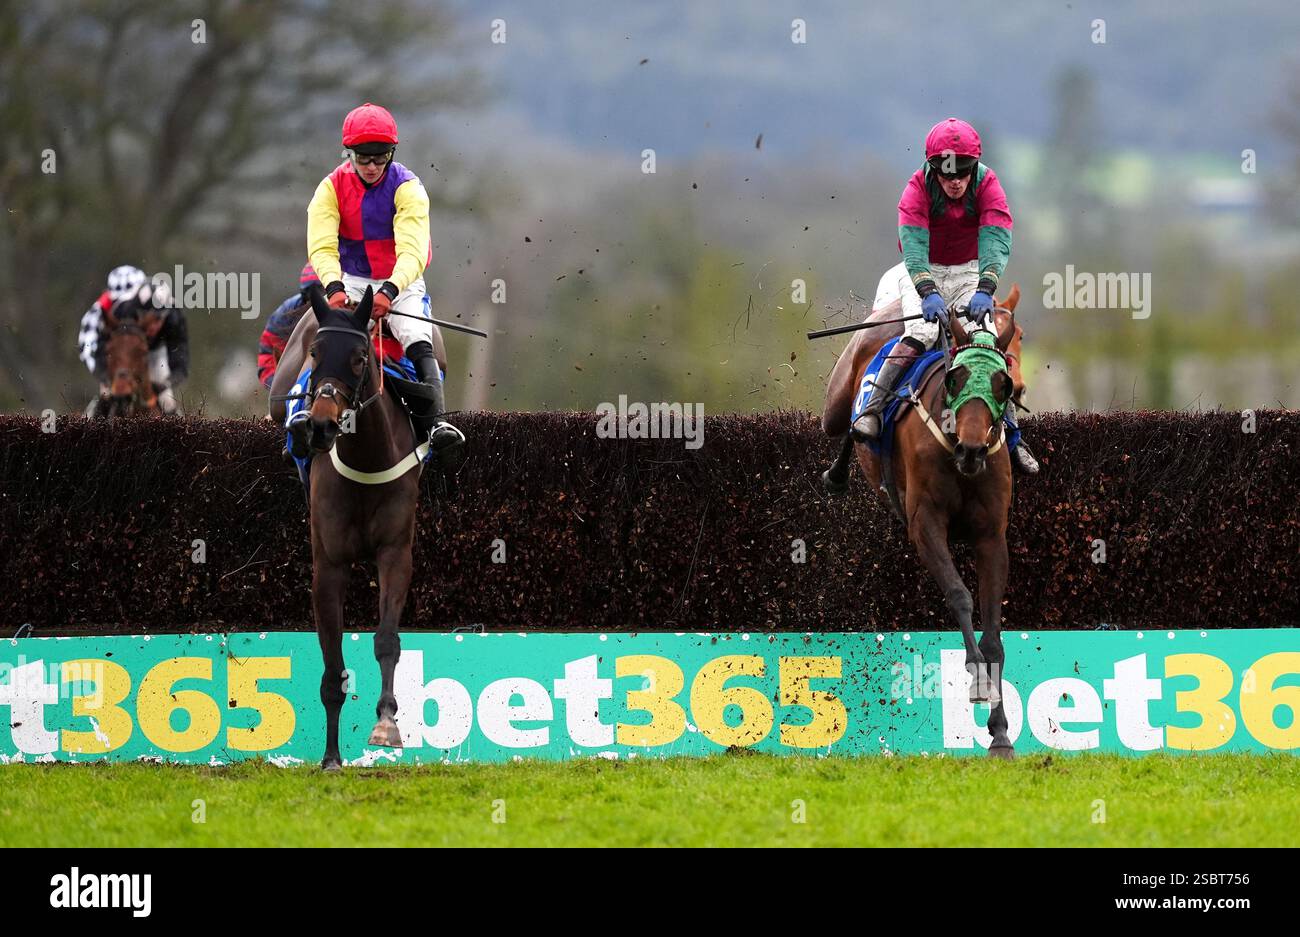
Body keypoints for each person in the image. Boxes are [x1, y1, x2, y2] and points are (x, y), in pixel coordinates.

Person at [851, 118, 1037, 474]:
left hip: (969, 270)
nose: (955, 182)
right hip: (924, 268)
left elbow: (996, 237)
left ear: (974, 167)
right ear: (932, 168)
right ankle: (872, 410)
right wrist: (927, 291)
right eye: (947, 174)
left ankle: (1014, 438)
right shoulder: (916, 187)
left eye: (963, 173)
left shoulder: (988, 184)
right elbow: (913, 246)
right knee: (921, 332)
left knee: (986, 342)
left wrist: (985, 288)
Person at [306, 102, 464, 466]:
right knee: (330, 337)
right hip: (352, 279)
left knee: (415, 334)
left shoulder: (408, 187)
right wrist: (334, 288)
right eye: (364, 158)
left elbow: (413, 251)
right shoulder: (330, 188)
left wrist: (390, 291)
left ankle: (436, 425)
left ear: (392, 153)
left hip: (401, 281)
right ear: (349, 153)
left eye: (381, 157)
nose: (373, 166)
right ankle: (302, 412)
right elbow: (322, 246)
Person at [78, 265, 188, 414]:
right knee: (106, 394)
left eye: (159, 319)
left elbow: (180, 364)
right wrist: (106, 377)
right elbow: (99, 351)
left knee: (166, 399)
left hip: (155, 355)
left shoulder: (175, 318)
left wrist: (165, 384)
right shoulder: (121, 312)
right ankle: (88, 421)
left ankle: (179, 426)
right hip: (124, 354)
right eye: (150, 318)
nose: (154, 326)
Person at [258, 263, 320, 388]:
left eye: (323, 292)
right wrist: (277, 386)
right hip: (293, 384)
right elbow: (267, 357)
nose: (319, 302)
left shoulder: (348, 307)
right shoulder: (284, 315)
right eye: (311, 295)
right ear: (304, 295)